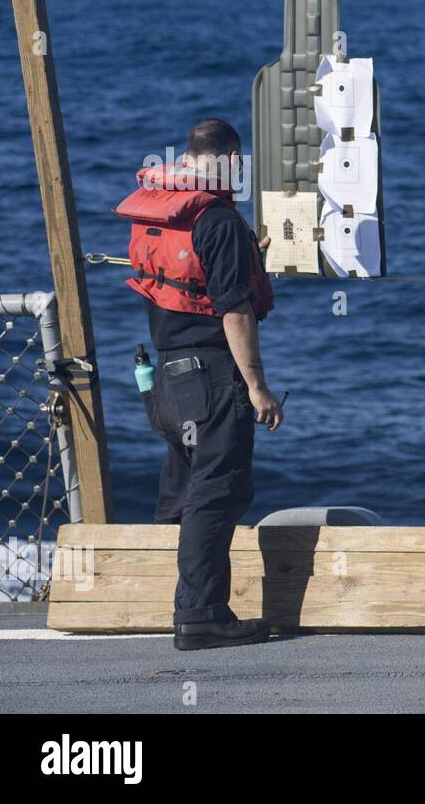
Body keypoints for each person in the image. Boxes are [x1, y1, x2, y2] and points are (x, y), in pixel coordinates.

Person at [115, 119, 284, 650]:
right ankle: (201, 615)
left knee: (182, 495)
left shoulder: (160, 211)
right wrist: (257, 386)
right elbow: (234, 312)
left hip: (164, 376)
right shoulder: (220, 223)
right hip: (211, 379)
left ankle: (162, 603)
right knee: (219, 492)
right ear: (231, 160)